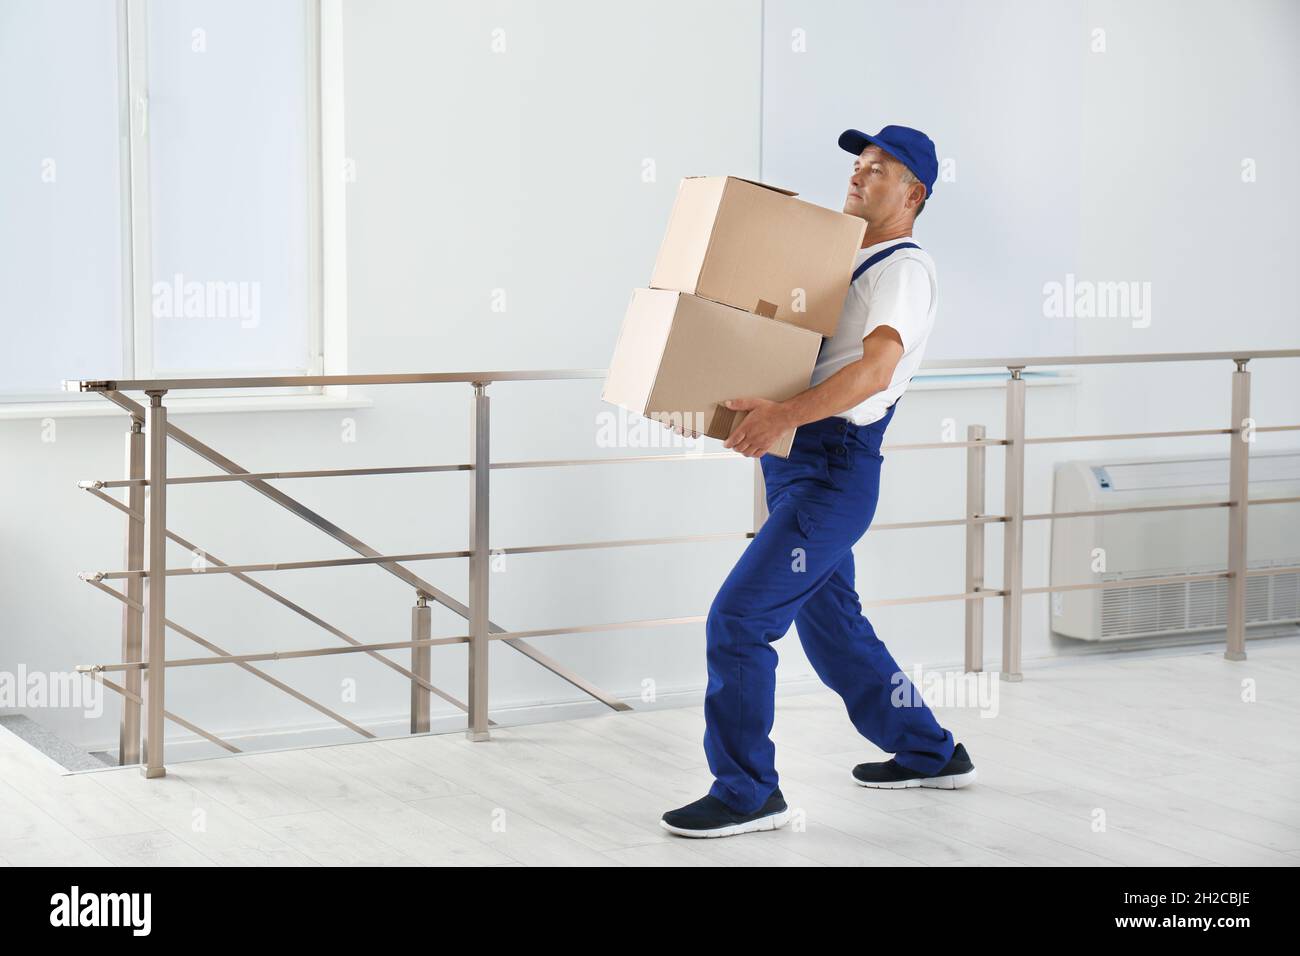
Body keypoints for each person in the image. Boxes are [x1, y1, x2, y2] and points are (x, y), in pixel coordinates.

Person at [661, 125, 976, 839]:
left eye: (881, 170)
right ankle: (930, 751)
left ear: (915, 193)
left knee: (739, 621)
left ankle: (747, 792)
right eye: (859, 165)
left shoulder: (903, 269)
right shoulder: (839, 258)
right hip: (798, 461)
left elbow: (874, 371)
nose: (860, 176)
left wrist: (784, 419)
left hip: (833, 469)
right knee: (833, 627)